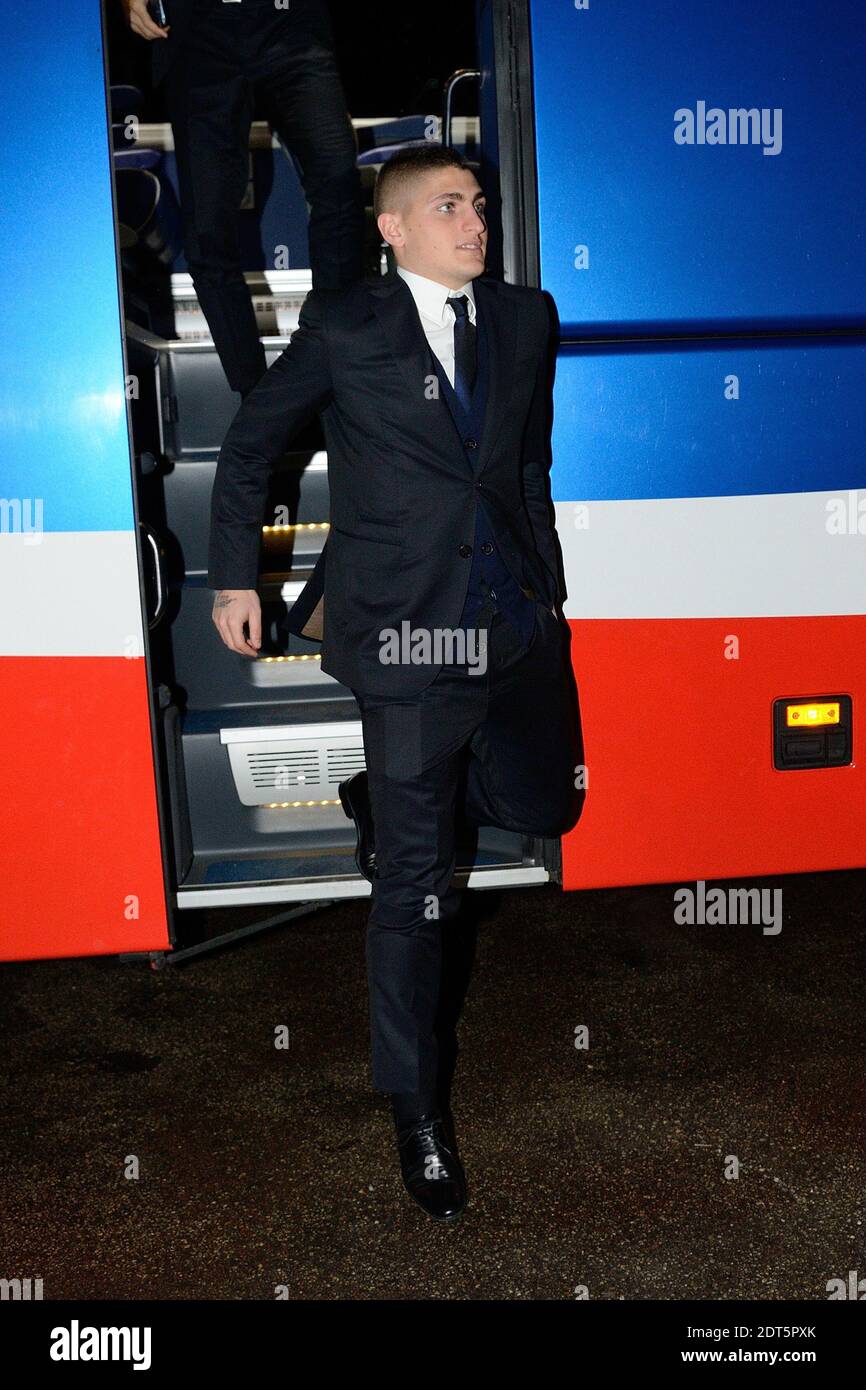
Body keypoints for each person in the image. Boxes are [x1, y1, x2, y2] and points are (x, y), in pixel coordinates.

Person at [207, 143, 584, 1222]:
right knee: (416, 890)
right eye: (449, 207)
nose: (475, 222)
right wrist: (236, 576)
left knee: (548, 801)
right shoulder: (345, 326)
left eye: (477, 204)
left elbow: (523, 463)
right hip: (408, 642)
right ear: (394, 229)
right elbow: (249, 448)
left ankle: (383, 792)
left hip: (510, 625)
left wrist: (545, 587)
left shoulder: (524, 316)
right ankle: (415, 1111)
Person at [120, 0, 366, 398]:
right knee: (207, 230)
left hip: (290, 22)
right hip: (200, 26)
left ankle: (336, 369)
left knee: (338, 183)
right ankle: (259, 402)